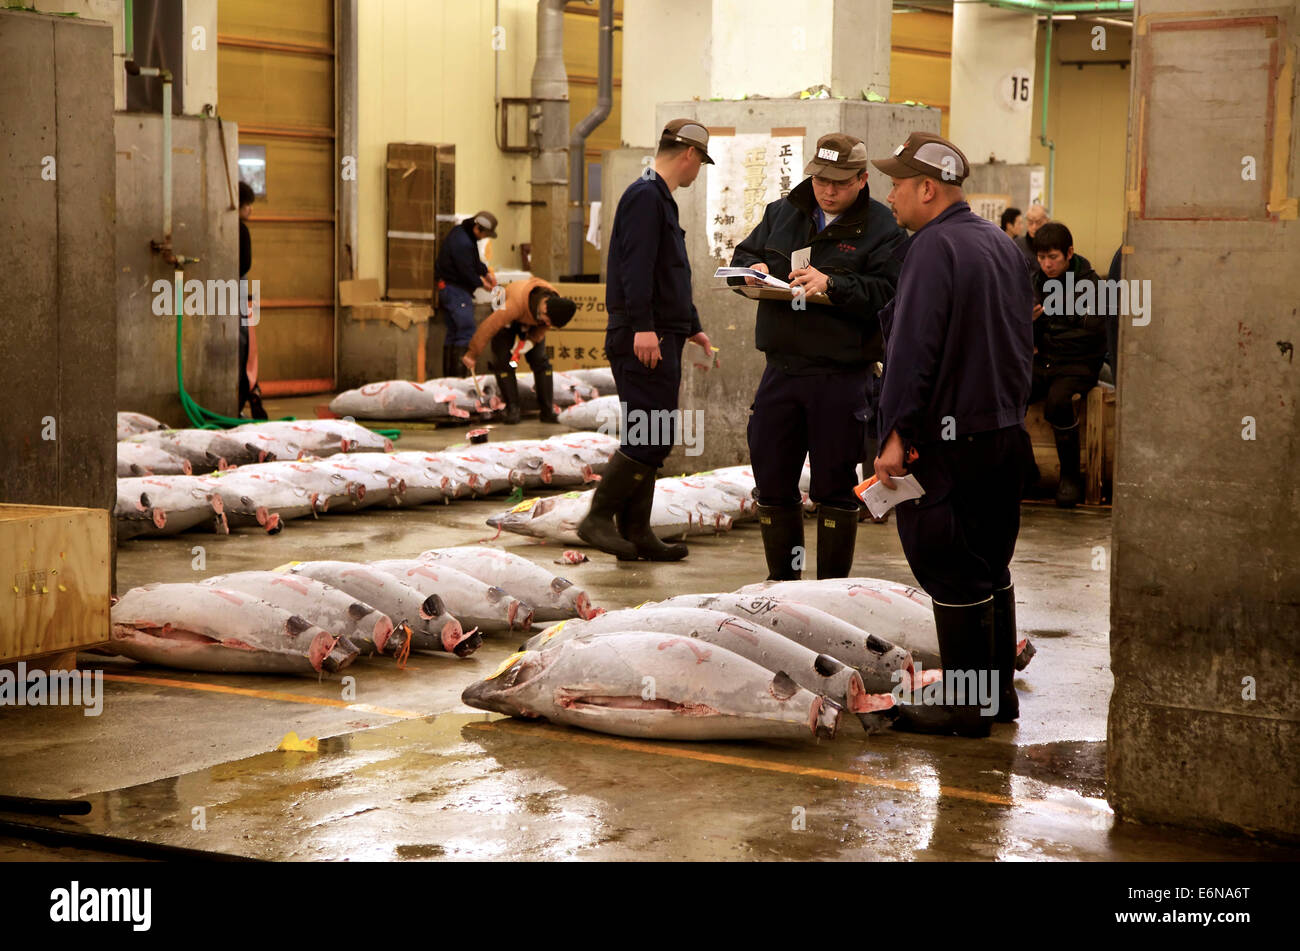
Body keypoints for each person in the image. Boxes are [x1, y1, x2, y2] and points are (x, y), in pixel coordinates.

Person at [871, 131, 1036, 736]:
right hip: (1001, 434)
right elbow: (1023, 343)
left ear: (927, 189)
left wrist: (896, 433)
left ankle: (965, 708)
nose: (890, 195)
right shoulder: (999, 243)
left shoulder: (932, 248)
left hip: (949, 439)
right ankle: (996, 700)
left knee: (947, 564)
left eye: (896, 183)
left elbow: (915, 351)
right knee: (991, 564)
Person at [728, 132, 905, 580]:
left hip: (841, 377)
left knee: (834, 487)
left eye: (840, 182)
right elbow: (743, 254)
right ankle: (785, 585)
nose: (828, 189)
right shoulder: (782, 212)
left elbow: (889, 294)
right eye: (821, 178)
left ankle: (828, 592)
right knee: (771, 478)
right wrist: (753, 270)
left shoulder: (884, 228)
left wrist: (834, 284)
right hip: (781, 370)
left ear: (863, 179)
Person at [576, 118, 715, 561]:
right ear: (689, 155)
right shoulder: (645, 197)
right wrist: (642, 327)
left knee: (652, 432)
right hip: (643, 336)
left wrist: (690, 324)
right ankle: (597, 518)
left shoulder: (660, 199)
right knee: (649, 436)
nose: (698, 173)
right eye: (700, 163)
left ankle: (636, 531)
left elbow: (668, 271)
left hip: (661, 332)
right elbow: (635, 268)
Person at [1030, 222, 1106, 508]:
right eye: (1041, 257)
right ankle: (1026, 471)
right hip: (1045, 361)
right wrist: (1033, 324)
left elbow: (1089, 335)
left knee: (1058, 401)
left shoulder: (1091, 284)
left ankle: (1071, 477)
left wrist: (1046, 329)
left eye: (1053, 257)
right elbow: (1024, 330)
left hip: (1080, 366)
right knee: (1009, 391)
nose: (1047, 264)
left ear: (1069, 253)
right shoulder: (1035, 282)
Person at [461, 278, 577, 423]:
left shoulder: (555, 305)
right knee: (504, 362)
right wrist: (472, 354)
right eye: (548, 321)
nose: (548, 324)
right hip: (506, 318)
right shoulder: (513, 305)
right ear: (545, 309)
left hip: (532, 320)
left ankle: (547, 411)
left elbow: (544, 326)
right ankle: (513, 408)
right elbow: (489, 326)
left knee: (540, 361)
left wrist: (530, 341)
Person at [435, 210, 499, 378]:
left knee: (454, 333)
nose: (484, 238)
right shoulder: (462, 242)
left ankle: (449, 381)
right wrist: (482, 284)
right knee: (466, 331)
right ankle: (459, 381)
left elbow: (474, 262)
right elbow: (466, 271)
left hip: (451, 289)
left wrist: (486, 273)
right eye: (485, 234)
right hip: (455, 290)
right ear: (477, 228)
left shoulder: (464, 234)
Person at [237, 182, 266, 420]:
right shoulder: (241, 231)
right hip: (238, 291)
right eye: (248, 205)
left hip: (223, 291)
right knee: (246, 347)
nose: (251, 210)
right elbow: (245, 265)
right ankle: (250, 390)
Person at [1016, 202, 1050, 271]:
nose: (1034, 227)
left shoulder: (1055, 243)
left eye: (1038, 222)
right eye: (1030, 222)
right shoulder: (1017, 244)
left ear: (1047, 221)